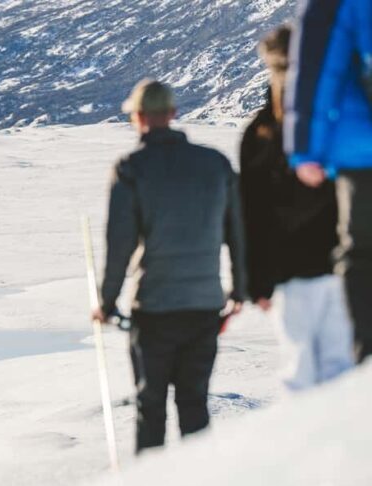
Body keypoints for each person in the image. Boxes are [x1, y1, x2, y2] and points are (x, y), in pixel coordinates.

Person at [92, 79, 247, 454]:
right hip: (204, 307)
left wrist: (107, 301)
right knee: (195, 407)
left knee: (151, 408)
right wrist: (240, 290)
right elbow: (240, 233)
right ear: (174, 114)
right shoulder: (216, 164)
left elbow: (120, 245)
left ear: (138, 118)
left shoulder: (132, 169)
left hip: (156, 308)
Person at [240, 26, 354, 390]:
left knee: (299, 373)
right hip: (341, 264)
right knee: (341, 370)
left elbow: (252, 212)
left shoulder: (260, 134)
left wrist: (254, 278)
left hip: (289, 269)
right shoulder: (337, 122)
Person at [284, 0, 372, 362]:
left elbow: (318, 66)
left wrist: (306, 149)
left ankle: (368, 358)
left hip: (363, 148)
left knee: (364, 252)